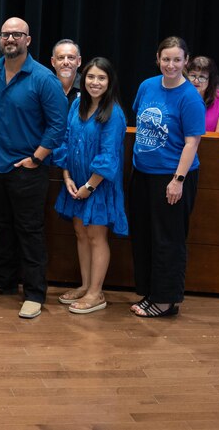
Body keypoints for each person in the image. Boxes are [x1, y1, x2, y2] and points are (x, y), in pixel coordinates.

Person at [0, 17, 67, 320]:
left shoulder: (43, 78)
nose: (10, 39)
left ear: (28, 40)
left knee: (30, 230)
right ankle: (2, 280)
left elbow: (58, 126)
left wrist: (36, 158)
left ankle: (35, 293)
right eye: (5, 34)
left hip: (27, 169)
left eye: (17, 35)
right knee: (1, 226)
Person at [128, 37, 205, 318]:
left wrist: (178, 180)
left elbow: (191, 143)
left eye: (177, 59)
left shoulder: (190, 97)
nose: (170, 65)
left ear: (186, 61)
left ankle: (166, 301)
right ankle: (151, 292)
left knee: (168, 240)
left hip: (172, 177)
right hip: (143, 174)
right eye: (166, 59)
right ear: (158, 59)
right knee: (145, 236)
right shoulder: (147, 86)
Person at [53, 57, 128, 314]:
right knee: (80, 233)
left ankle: (96, 293)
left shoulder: (114, 113)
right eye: (90, 77)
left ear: (109, 82)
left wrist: (90, 186)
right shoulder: (76, 106)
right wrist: (67, 178)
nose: (95, 82)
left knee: (96, 236)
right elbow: (64, 141)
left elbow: (109, 157)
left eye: (101, 78)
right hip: (75, 184)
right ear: (82, 80)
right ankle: (85, 285)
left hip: (97, 186)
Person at [187, 56, 219, 133]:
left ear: (210, 80)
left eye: (202, 77)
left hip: (211, 144)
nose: (196, 81)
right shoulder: (179, 95)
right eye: (193, 76)